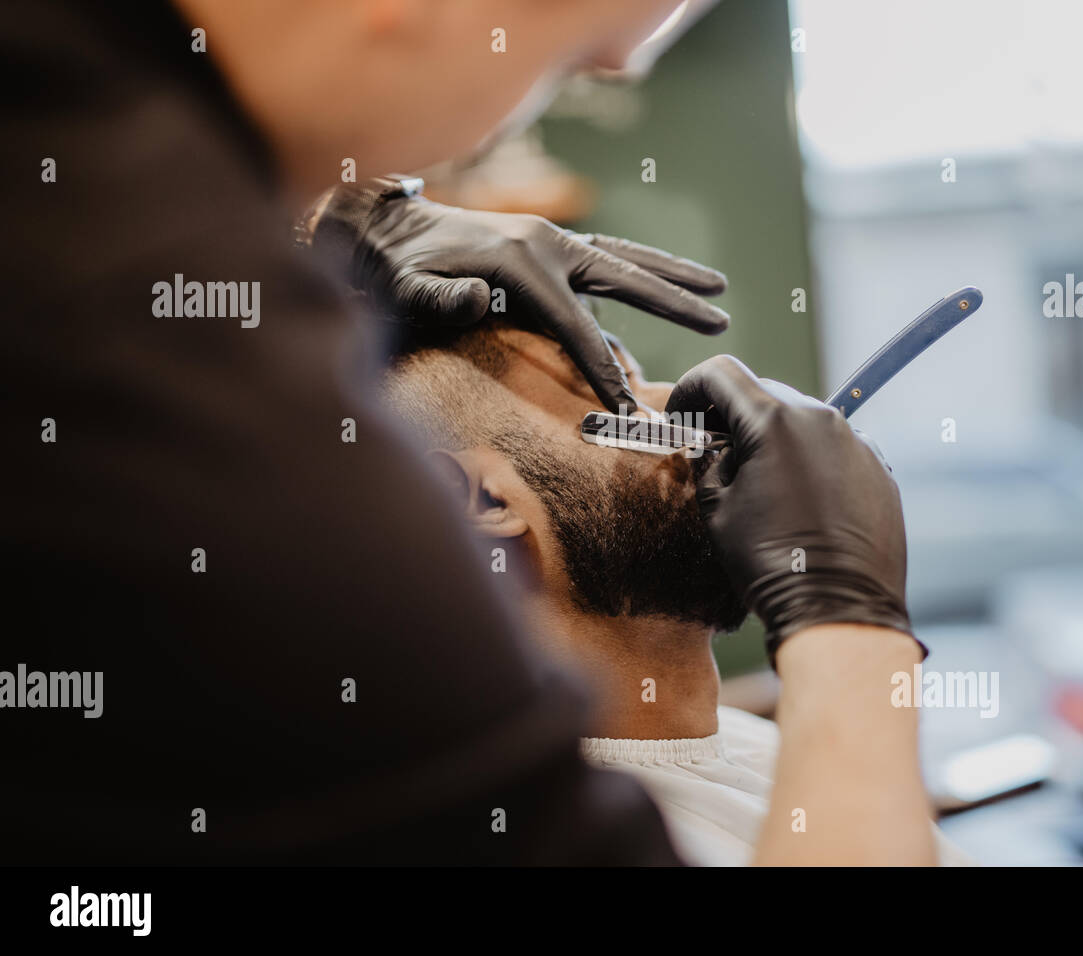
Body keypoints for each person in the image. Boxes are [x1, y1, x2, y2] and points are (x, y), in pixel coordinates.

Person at [3, 0, 931, 865]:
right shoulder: (177, 422)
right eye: (597, 380)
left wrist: (356, 214)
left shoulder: (68, 121)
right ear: (470, 497)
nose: (614, 61)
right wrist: (851, 623)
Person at [383, 321, 970, 865]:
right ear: (481, 499)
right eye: (611, 388)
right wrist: (848, 614)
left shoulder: (760, 747)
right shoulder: (544, 835)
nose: (681, 402)